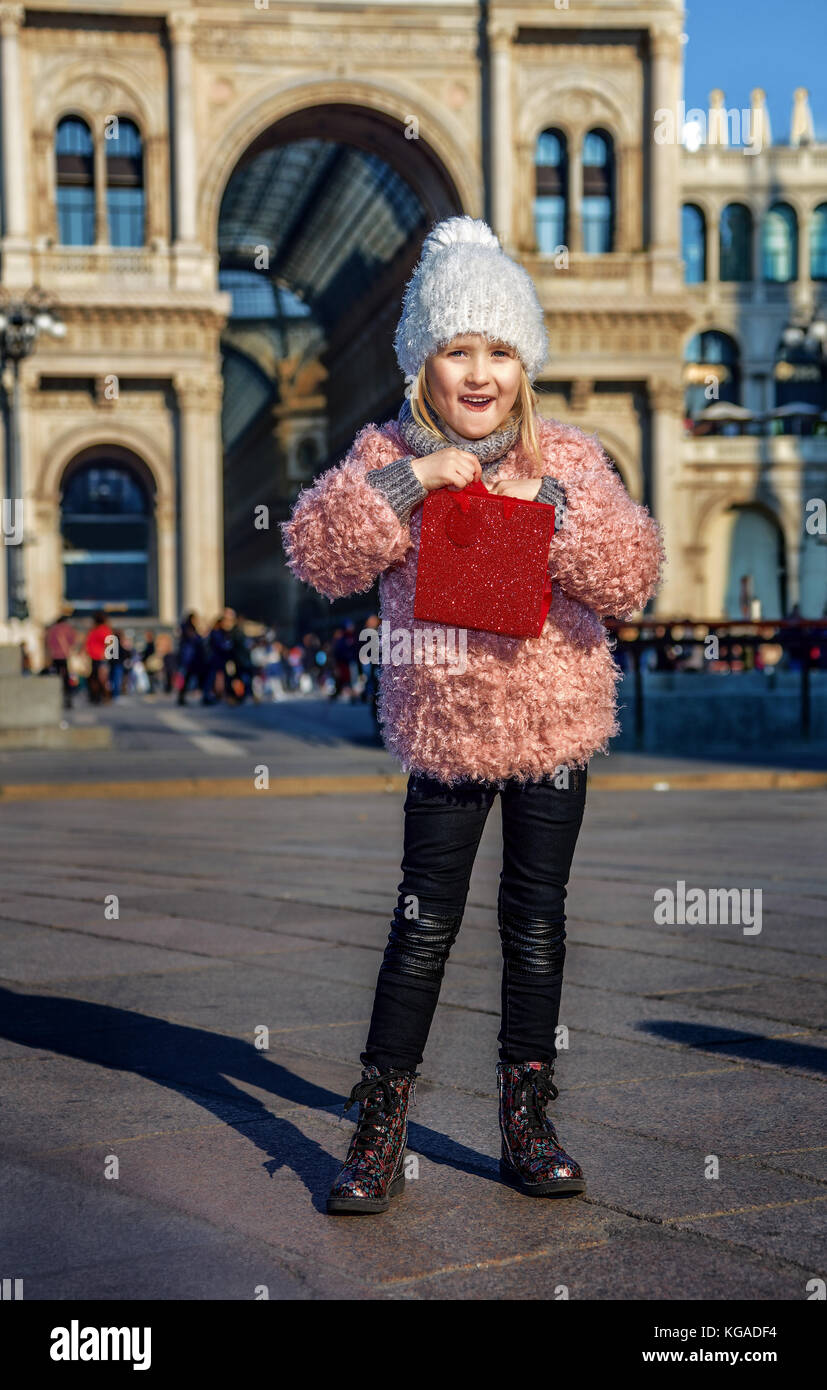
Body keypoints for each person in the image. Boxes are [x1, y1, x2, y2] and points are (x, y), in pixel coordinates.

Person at [280, 216, 664, 1215]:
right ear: (423, 364)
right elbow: (321, 551)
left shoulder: (569, 455)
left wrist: (557, 513)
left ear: (525, 363)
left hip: (554, 725)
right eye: (457, 349)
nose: (479, 371)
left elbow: (631, 571)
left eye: (499, 349)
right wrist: (413, 482)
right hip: (446, 733)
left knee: (535, 925)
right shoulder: (387, 450)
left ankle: (526, 1116)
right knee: (422, 925)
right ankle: (378, 1120)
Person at [44, 613, 78, 710]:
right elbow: (73, 642)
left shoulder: (52, 629)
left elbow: (48, 643)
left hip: (54, 656)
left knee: (56, 676)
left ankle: (56, 696)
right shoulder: (68, 628)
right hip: (64, 656)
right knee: (66, 677)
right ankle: (68, 697)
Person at [84, 611, 114, 704]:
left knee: (93, 678)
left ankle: (95, 697)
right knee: (103, 679)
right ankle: (105, 696)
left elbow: (87, 644)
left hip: (93, 657)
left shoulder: (92, 631)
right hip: (102, 657)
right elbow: (110, 644)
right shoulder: (105, 630)